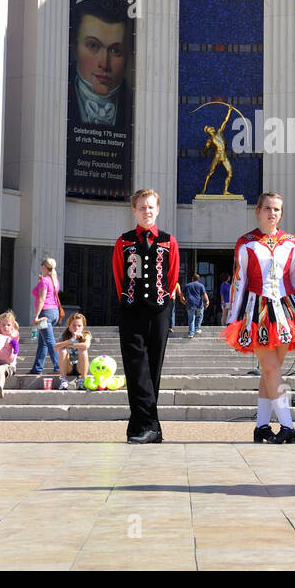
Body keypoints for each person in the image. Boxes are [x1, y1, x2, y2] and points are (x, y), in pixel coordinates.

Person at [224, 192, 295, 444]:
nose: (272, 213)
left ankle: (262, 426)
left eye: (277, 209)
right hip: (257, 311)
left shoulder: (291, 241)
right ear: (258, 210)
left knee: (271, 371)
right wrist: (233, 318)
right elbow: (239, 280)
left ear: (281, 213)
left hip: (287, 312)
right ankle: (287, 426)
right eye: (267, 208)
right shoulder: (246, 242)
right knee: (270, 367)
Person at [112, 188, 180, 443]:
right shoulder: (124, 241)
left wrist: (165, 303)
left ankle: (141, 427)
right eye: (142, 207)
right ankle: (149, 425)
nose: (146, 211)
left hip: (160, 311)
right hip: (131, 310)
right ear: (134, 210)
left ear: (158, 210)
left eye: (151, 207)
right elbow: (119, 276)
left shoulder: (168, 241)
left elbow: (172, 276)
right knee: (135, 368)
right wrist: (128, 299)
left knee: (153, 369)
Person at [69, 0, 131, 130]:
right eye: (93, 46)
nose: (104, 64)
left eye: (115, 50)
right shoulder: (59, 95)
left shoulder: (135, 104)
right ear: (75, 49)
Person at [29, 257, 63, 375]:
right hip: (54, 313)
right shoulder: (54, 280)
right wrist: (40, 282)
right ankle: (37, 368)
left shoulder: (45, 281)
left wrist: (36, 315)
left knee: (49, 341)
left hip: (45, 313)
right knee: (42, 342)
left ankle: (59, 366)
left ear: (44, 267)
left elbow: (42, 299)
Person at [55, 312, 92, 390]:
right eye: (74, 325)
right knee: (63, 351)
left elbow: (86, 346)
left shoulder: (86, 335)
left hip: (81, 367)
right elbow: (55, 347)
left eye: (79, 326)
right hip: (68, 367)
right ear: (69, 326)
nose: (76, 328)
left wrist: (68, 345)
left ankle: (82, 381)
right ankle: (64, 380)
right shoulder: (64, 336)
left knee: (83, 350)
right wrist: (71, 340)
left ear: (83, 327)